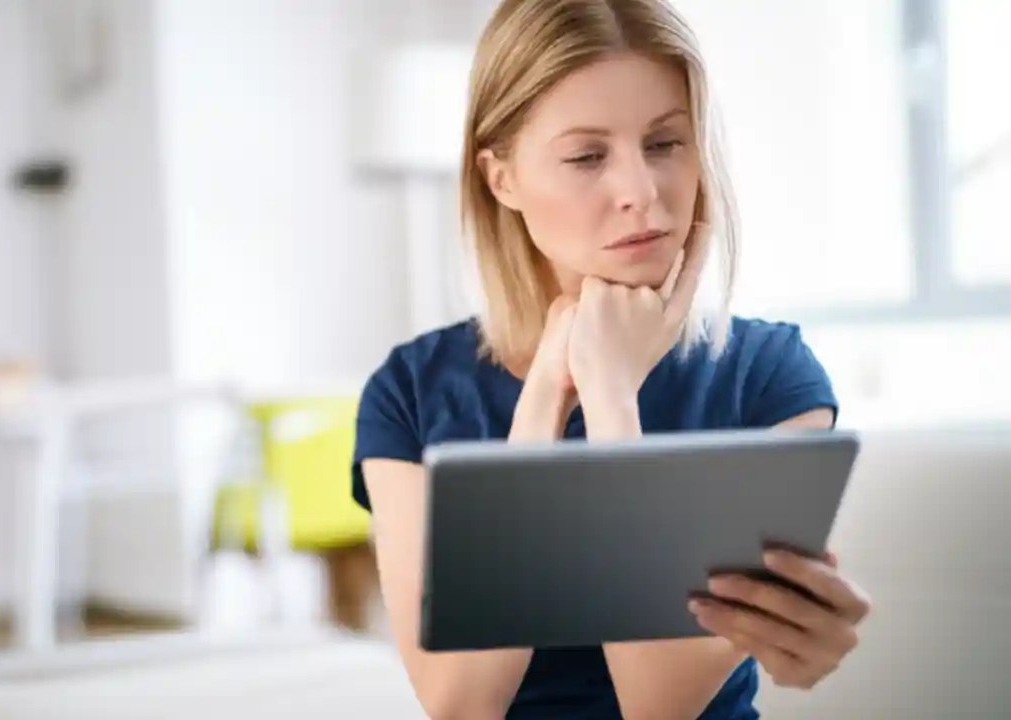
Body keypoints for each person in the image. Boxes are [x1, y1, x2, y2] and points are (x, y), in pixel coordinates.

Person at [350, 0, 873, 717]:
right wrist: (545, 399)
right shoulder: (410, 393)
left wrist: (610, 396)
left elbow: (656, 706)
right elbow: (463, 705)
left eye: (665, 144)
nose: (642, 193)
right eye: (587, 156)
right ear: (500, 178)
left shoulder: (770, 376)